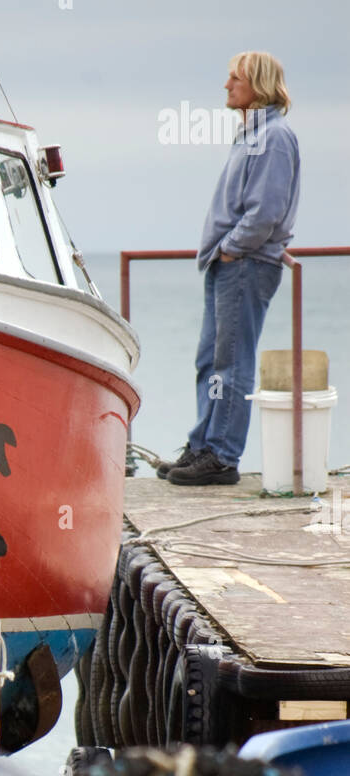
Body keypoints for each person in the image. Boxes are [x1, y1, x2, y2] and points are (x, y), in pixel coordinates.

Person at [161, 53, 300, 486]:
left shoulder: (274, 137)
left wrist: (232, 249)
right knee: (211, 360)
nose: (226, 85)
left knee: (231, 363)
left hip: (245, 265)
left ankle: (222, 455)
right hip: (228, 265)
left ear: (257, 84)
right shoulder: (252, 135)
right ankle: (204, 443)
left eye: (235, 78)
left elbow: (266, 211)